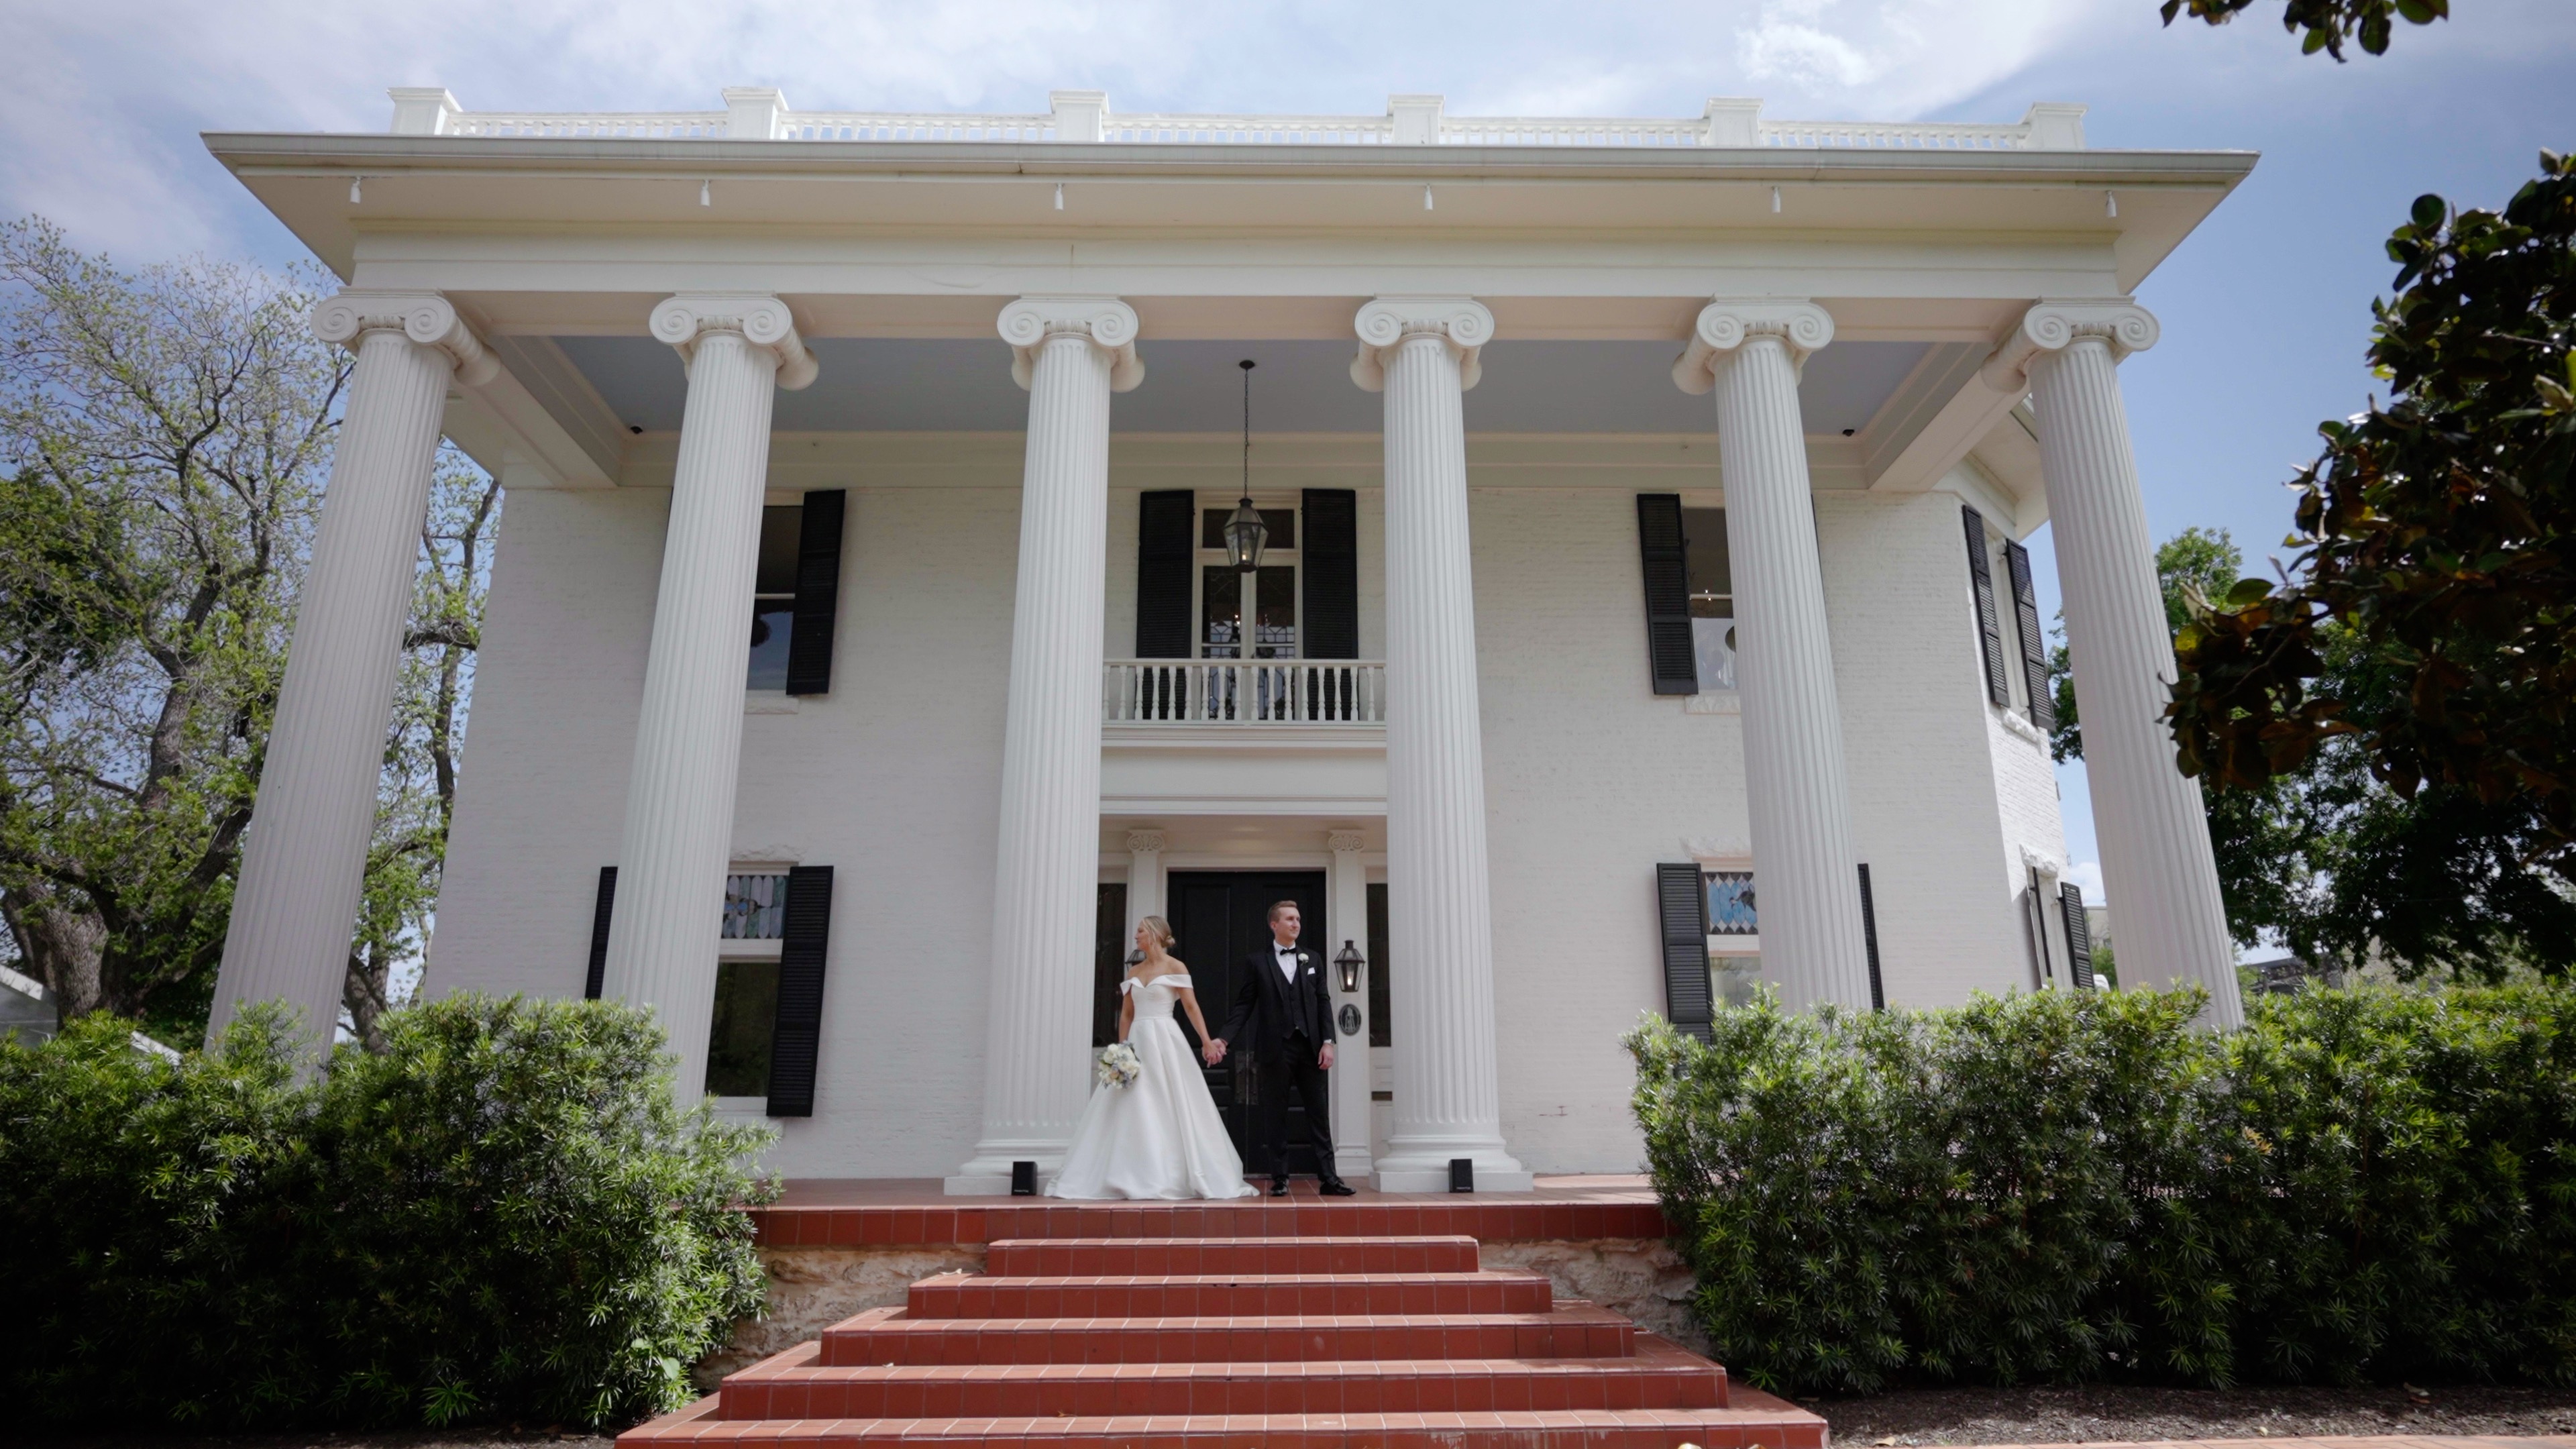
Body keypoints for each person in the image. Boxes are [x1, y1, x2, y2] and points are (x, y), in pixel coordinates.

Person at [1048, 915, 1256, 1201]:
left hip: (1166, 1039)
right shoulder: (1134, 972)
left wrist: (1207, 1041)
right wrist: (1122, 1049)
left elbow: (1192, 1007)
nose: (1136, 935)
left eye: (1141, 930)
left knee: (1170, 1100)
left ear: (1156, 934)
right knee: (1133, 1102)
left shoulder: (1176, 967)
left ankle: (1175, 1173)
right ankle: (1127, 1172)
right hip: (1137, 1040)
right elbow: (1127, 1014)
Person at [1210, 900, 1356, 1197]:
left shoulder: (1312, 959)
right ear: (1274, 925)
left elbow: (1324, 1002)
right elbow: (1244, 1005)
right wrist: (1224, 1039)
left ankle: (1329, 1178)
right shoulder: (1257, 962)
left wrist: (1329, 1042)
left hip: (1311, 1049)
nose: (1296, 924)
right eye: (1290, 919)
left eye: (1298, 919)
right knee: (1275, 1114)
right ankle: (1280, 1177)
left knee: (1318, 1113)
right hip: (1275, 1050)